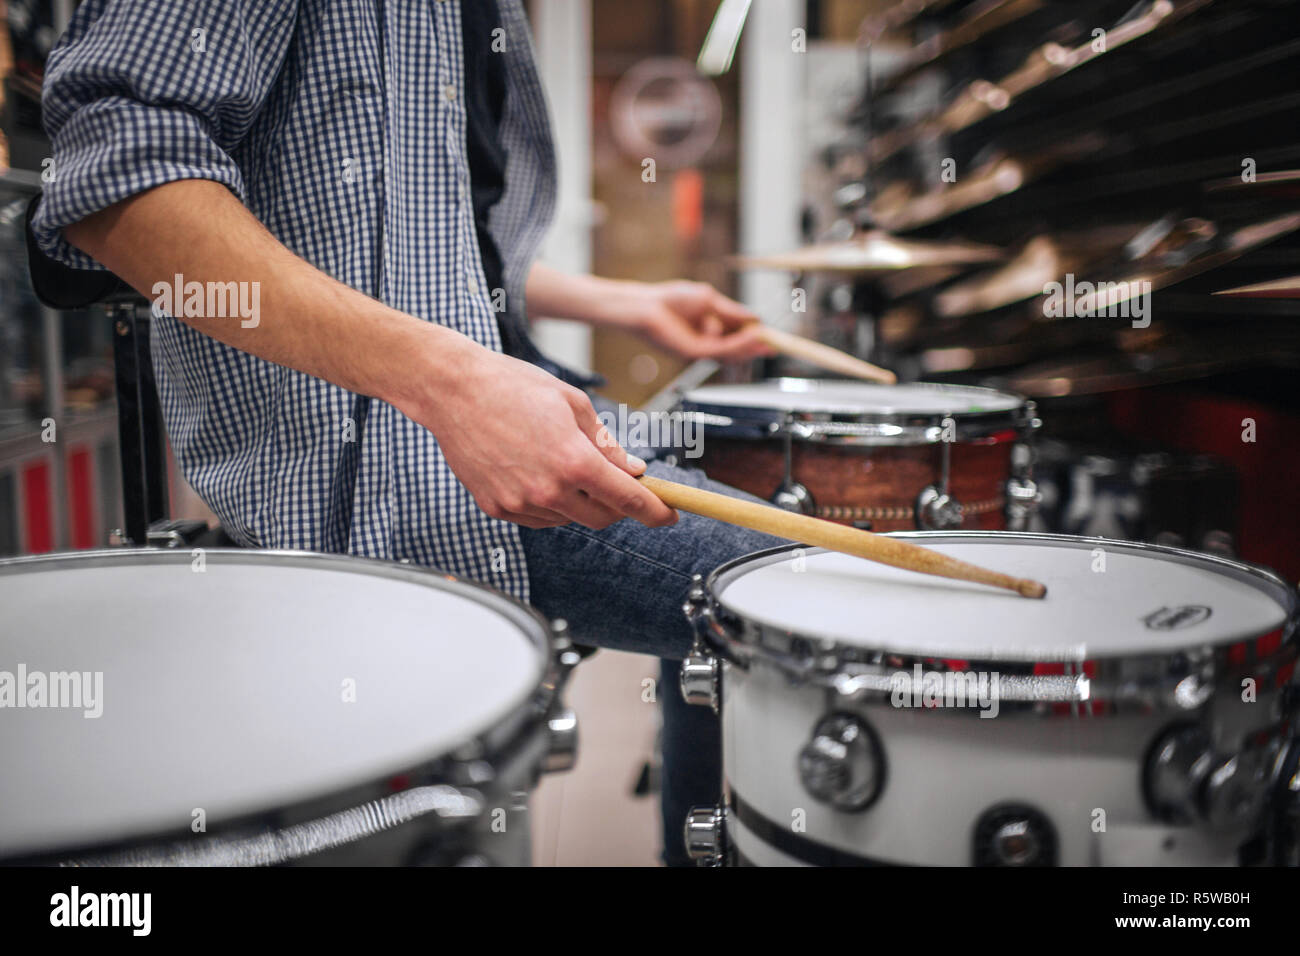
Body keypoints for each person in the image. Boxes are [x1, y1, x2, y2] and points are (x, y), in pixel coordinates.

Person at [34, 0, 782, 865]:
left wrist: (625, 304)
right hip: (402, 460)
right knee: (799, 605)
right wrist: (450, 387)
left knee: (744, 625)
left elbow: (425, 259)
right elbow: (117, 180)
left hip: (493, 400)